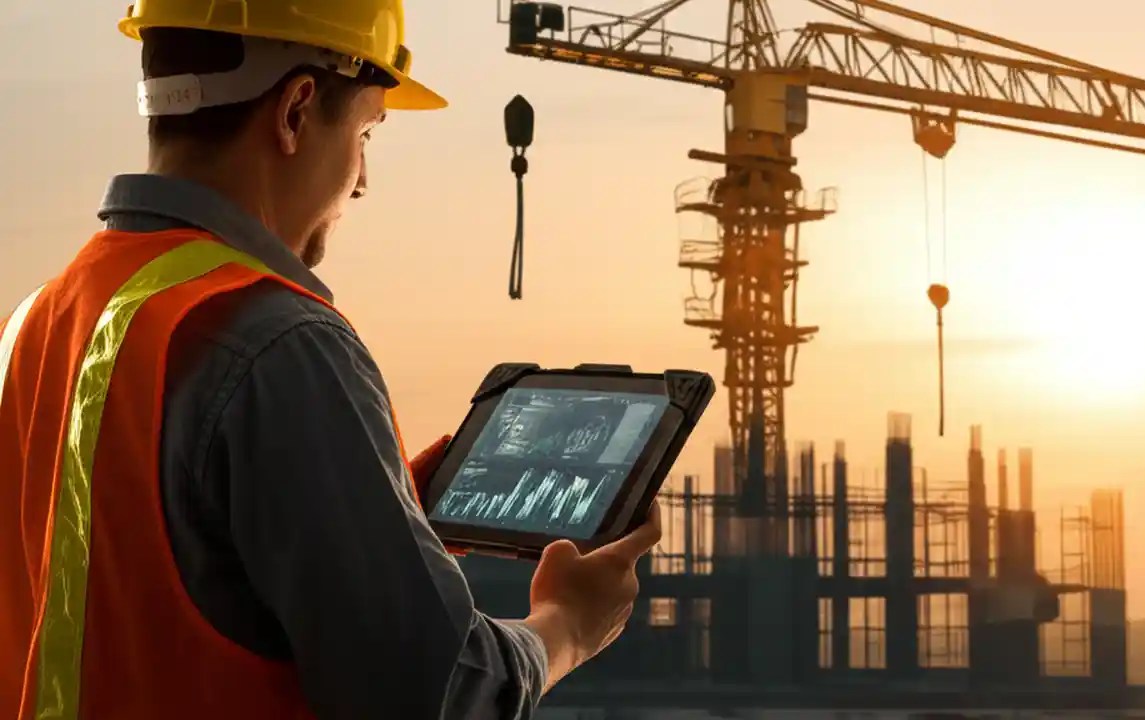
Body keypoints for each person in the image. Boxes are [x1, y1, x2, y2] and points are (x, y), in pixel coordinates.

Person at [0, 1, 662, 718]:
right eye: (367, 132)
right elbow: (433, 691)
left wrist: (364, 511)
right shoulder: (275, 341)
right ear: (296, 110)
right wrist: (565, 626)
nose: (362, 179)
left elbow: (124, 559)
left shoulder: (40, 319)